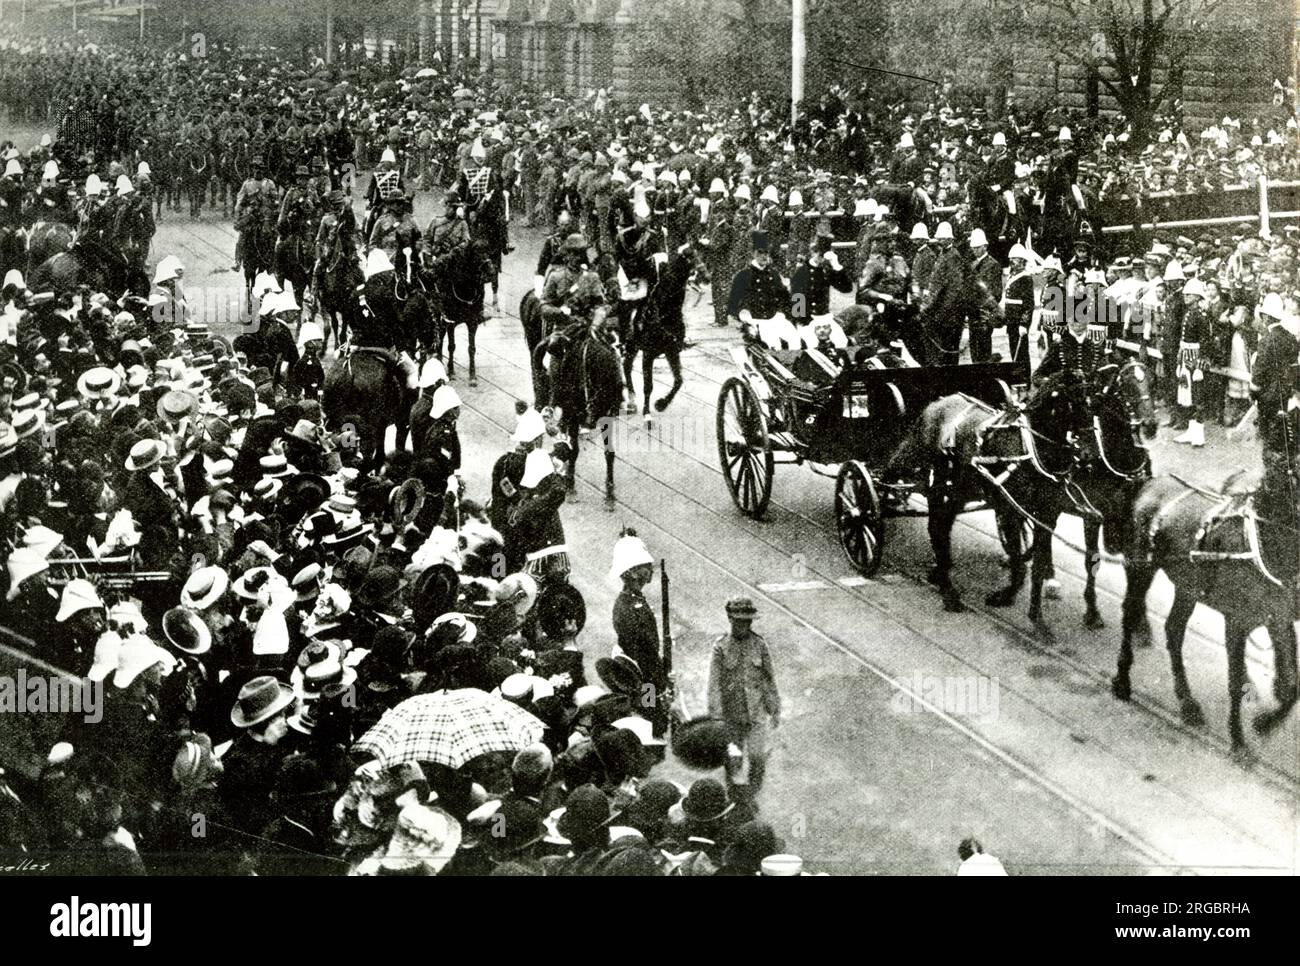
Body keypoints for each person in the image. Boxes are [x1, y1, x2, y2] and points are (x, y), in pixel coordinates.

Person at [707, 597, 780, 801]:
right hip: (732, 717)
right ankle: (734, 797)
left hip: (756, 715)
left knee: (758, 758)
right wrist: (716, 717)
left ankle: (752, 796)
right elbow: (714, 685)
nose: (744, 626)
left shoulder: (759, 644)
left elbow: (769, 679)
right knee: (733, 760)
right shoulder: (720, 647)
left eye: (748, 622)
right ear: (730, 619)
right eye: (740, 621)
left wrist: (774, 709)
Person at [610, 530, 669, 735]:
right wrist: (657, 678)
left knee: (655, 720)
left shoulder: (635, 599)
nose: (649, 570)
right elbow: (639, 653)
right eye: (644, 567)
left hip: (650, 675)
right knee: (652, 722)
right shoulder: (626, 606)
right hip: (645, 680)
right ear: (633, 572)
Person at [727, 231, 797, 350]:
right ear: (753, 254)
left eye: (766, 253)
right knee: (774, 346)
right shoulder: (743, 275)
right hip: (757, 321)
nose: (764, 256)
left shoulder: (774, 274)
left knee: (795, 340)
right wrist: (743, 314)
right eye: (760, 253)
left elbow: (784, 298)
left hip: (776, 318)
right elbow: (732, 304)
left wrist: (784, 313)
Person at [918, 222, 968, 365]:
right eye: (939, 238)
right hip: (944, 311)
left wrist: (939, 308)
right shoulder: (943, 254)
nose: (940, 241)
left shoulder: (953, 256)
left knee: (949, 349)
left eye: (943, 238)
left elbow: (953, 288)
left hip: (951, 313)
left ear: (950, 240)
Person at [967, 228, 1003, 363]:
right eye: (973, 248)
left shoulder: (993, 265)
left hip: (985, 315)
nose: (974, 250)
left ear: (985, 246)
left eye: (977, 247)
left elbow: (997, 293)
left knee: (983, 350)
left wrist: (985, 308)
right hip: (973, 314)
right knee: (974, 350)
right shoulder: (972, 265)